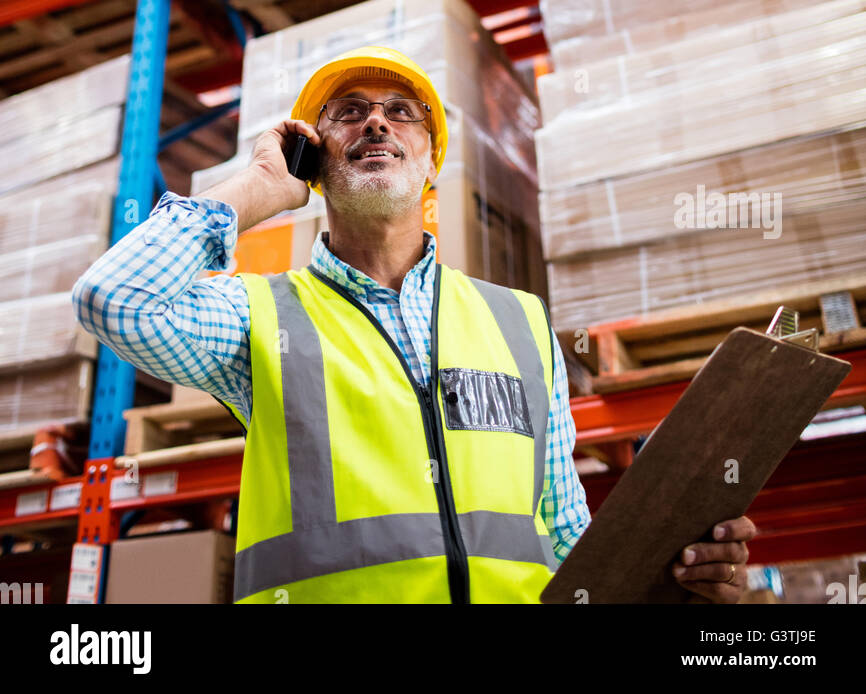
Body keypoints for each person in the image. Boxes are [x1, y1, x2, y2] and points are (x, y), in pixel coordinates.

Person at [73, 45, 754, 604]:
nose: (377, 124)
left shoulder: (518, 322)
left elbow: (563, 529)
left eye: (401, 114)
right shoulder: (259, 317)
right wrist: (258, 185)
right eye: (348, 115)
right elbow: (113, 299)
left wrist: (671, 579)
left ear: (431, 165)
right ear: (314, 161)